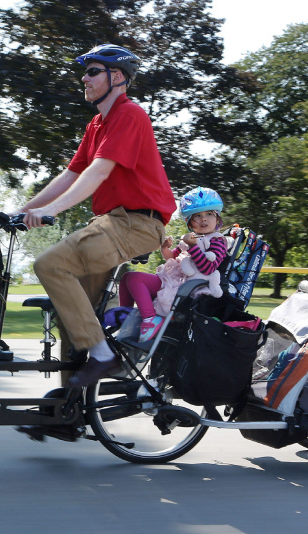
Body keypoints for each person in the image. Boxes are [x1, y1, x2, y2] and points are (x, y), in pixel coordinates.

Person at [16, 44, 175, 389]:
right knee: (73, 312)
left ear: (116, 77)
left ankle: (105, 357)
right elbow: (72, 174)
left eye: (92, 71)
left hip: (136, 223)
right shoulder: (97, 124)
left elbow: (98, 172)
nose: (84, 78)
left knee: (50, 264)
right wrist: (23, 210)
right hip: (111, 224)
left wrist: (50, 211)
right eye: (84, 72)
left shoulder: (130, 115)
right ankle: (67, 409)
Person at [118, 187, 229, 343]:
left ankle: (150, 320)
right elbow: (172, 256)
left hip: (185, 288)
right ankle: (127, 318)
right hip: (171, 280)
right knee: (126, 277)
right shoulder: (190, 238)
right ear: (189, 222)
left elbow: (208, 268)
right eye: (197, 216)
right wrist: (165, 248)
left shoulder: (217, 241)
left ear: (217, 218)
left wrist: (193, 246)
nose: (204, 219)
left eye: (209, 214)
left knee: (134, 279)